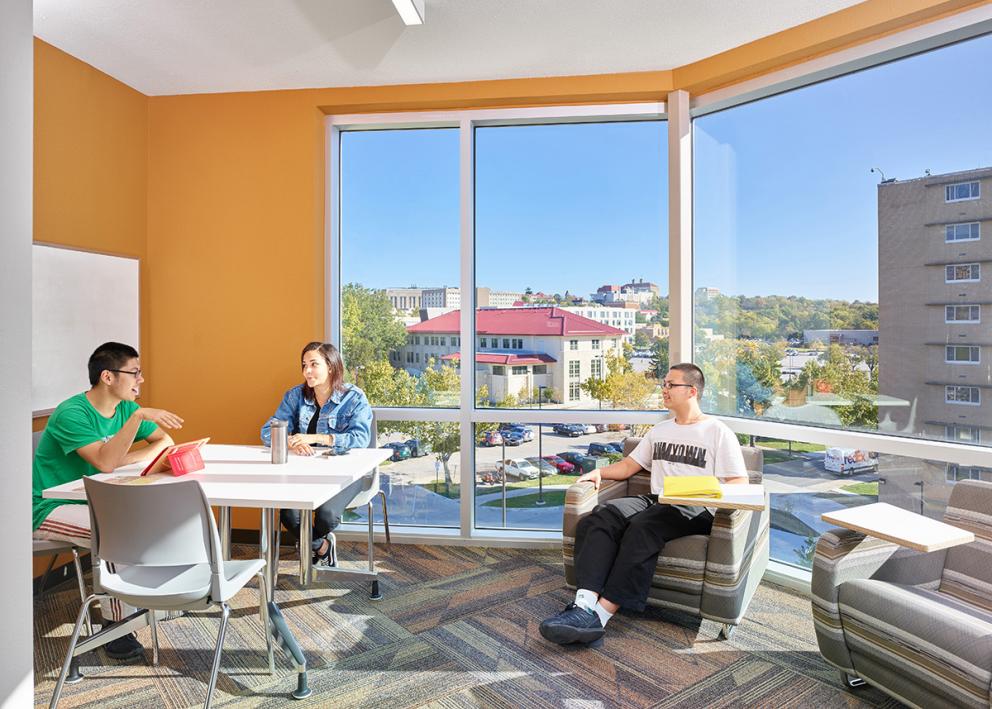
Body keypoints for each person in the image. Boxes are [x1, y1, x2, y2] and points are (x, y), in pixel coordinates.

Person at [539, 363, 748, 647]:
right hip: (658, 500)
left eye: (670, 385)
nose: (664, 389)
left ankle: (599, 618)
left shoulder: (717, 432)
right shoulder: (660, 430)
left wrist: (704, 491)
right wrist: (600, 472)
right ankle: (583, 607)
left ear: (691, 391)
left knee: (642, 527)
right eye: (664, 384)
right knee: (600, 516)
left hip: (696, 507)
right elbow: (628, 466)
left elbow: (739, 481)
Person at [32, 342, 184, 661]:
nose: (141, 380)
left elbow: (165, 442)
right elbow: (104, 463)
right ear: (108, 377)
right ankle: (116, 625)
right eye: (135, 372)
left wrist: (125, 456)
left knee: (156, 518)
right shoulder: (72, 413)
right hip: (50, 507)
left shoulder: (125, 408)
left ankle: (155, 597)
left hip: (96, 501)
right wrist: (137, 420)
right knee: (113, 533)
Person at [261, 342, 373, 566]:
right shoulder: (295, 396)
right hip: (304, 472)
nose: (307, 371)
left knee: (326, 516)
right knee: (289, 515)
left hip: (347, 472)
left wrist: (314, 438)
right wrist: (292, 441)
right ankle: (322, 546)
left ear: (331, 366)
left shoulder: (354, 398)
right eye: (304, 365)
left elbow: (360, 439)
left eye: (314, 364)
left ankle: (311, 544)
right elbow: (267, 432)